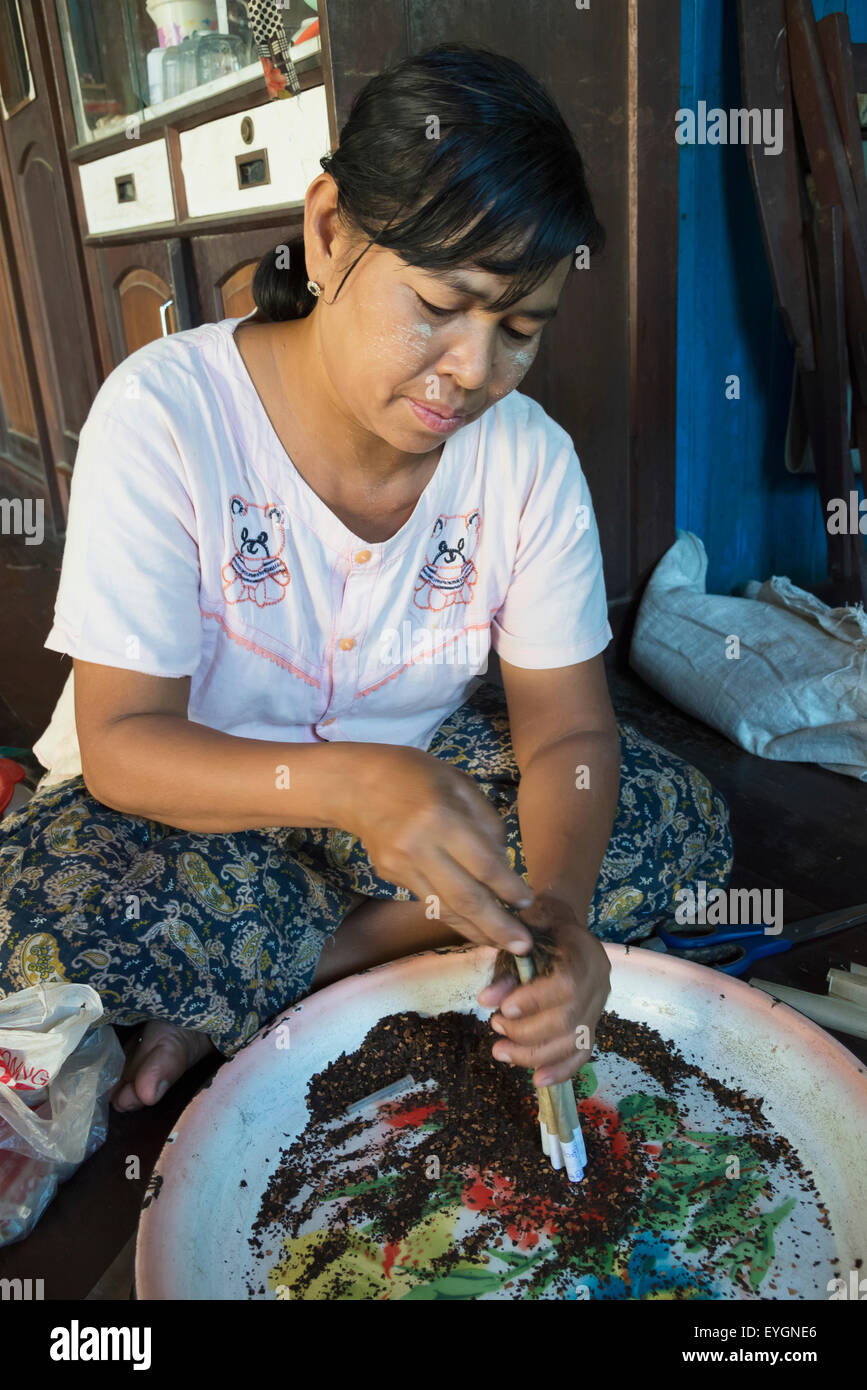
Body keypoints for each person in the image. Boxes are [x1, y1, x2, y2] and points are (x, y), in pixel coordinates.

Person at [0, 44, 732, 1115]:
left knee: (668, 816)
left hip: (398, 809)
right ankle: (340, 951)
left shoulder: (527, 463)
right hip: (182, 811)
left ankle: (287, 966)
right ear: (331, 227)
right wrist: (354, 786)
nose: (476, 370)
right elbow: (122, 746)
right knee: (32, 909)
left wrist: (564, 921)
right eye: (441, 304)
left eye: (520, 329)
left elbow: (570, 736)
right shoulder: (166, 412)